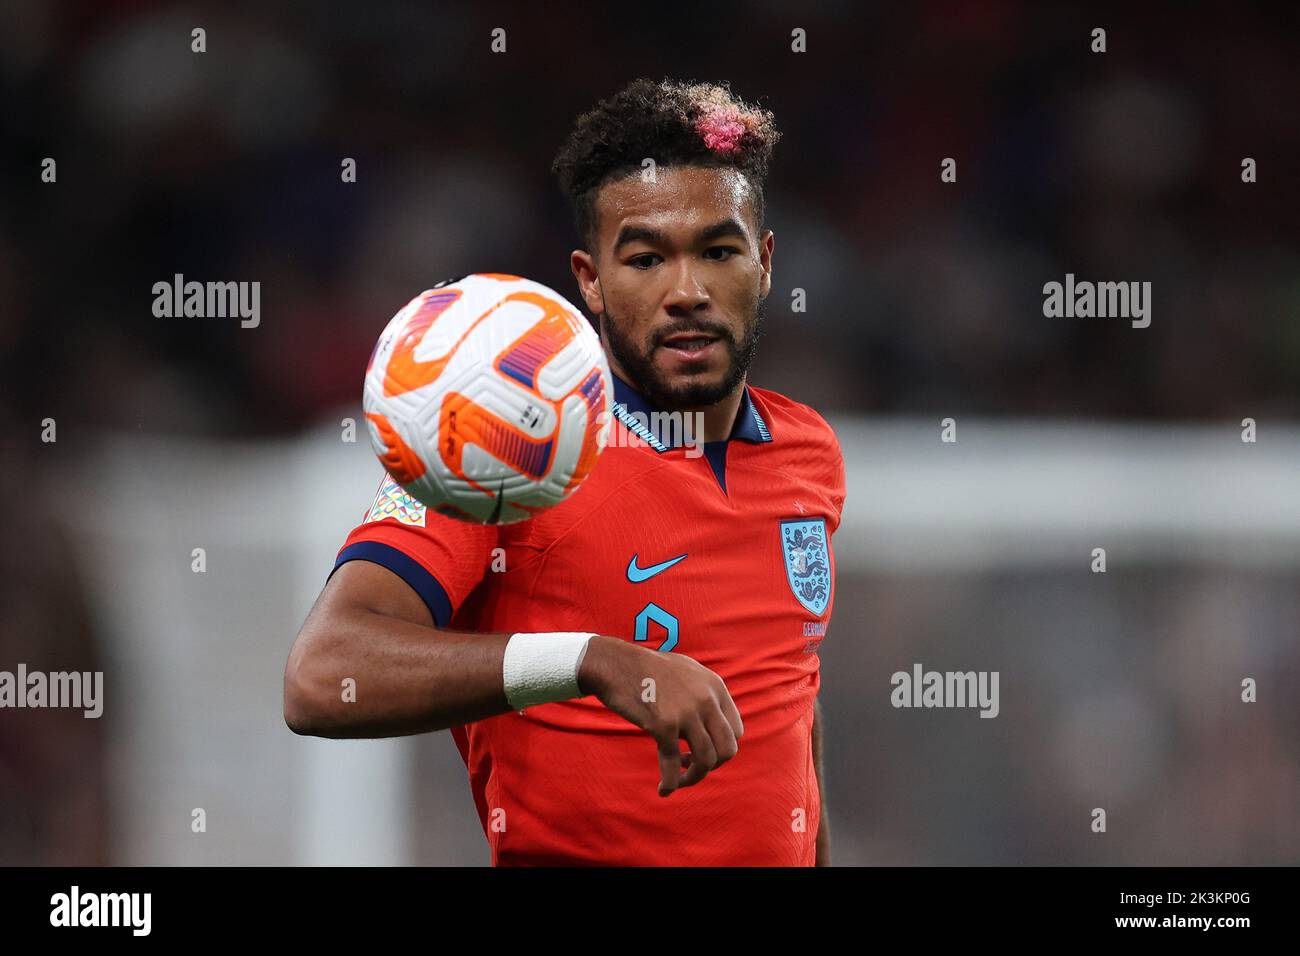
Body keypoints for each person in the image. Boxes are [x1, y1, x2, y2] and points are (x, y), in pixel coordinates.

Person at [285, 77, 845, 866]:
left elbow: (791, 698)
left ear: (765, 261)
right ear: (589, 280)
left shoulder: (807, 451)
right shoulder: (508, 456)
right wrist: (587, 659)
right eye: (646, 258)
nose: (686, 292)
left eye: (718, 251)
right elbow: (322, 676)